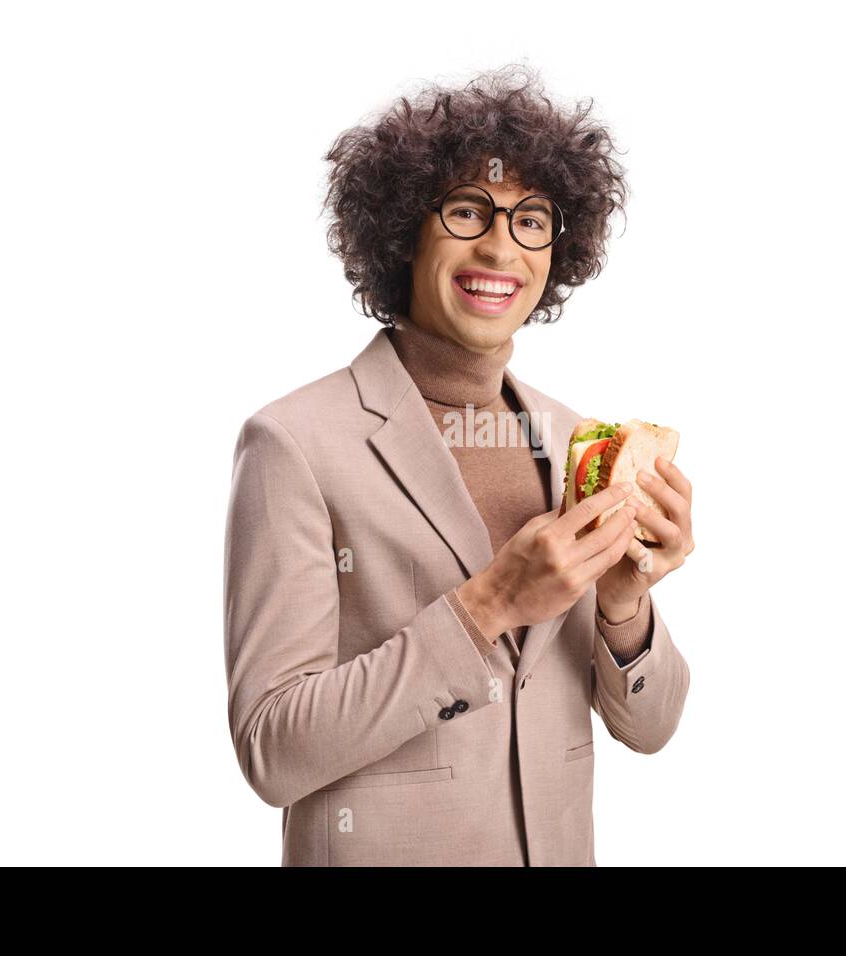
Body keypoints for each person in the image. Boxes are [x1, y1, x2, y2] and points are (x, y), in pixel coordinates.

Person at [223, 64, 694, 866]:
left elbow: (648, 730)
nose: (500, 248)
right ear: (404, 231)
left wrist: (625, 604)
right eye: (468, 211)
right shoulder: (292, 443)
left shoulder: (578, 443)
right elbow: (273, 750)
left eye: (532, 220)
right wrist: (488, 606)